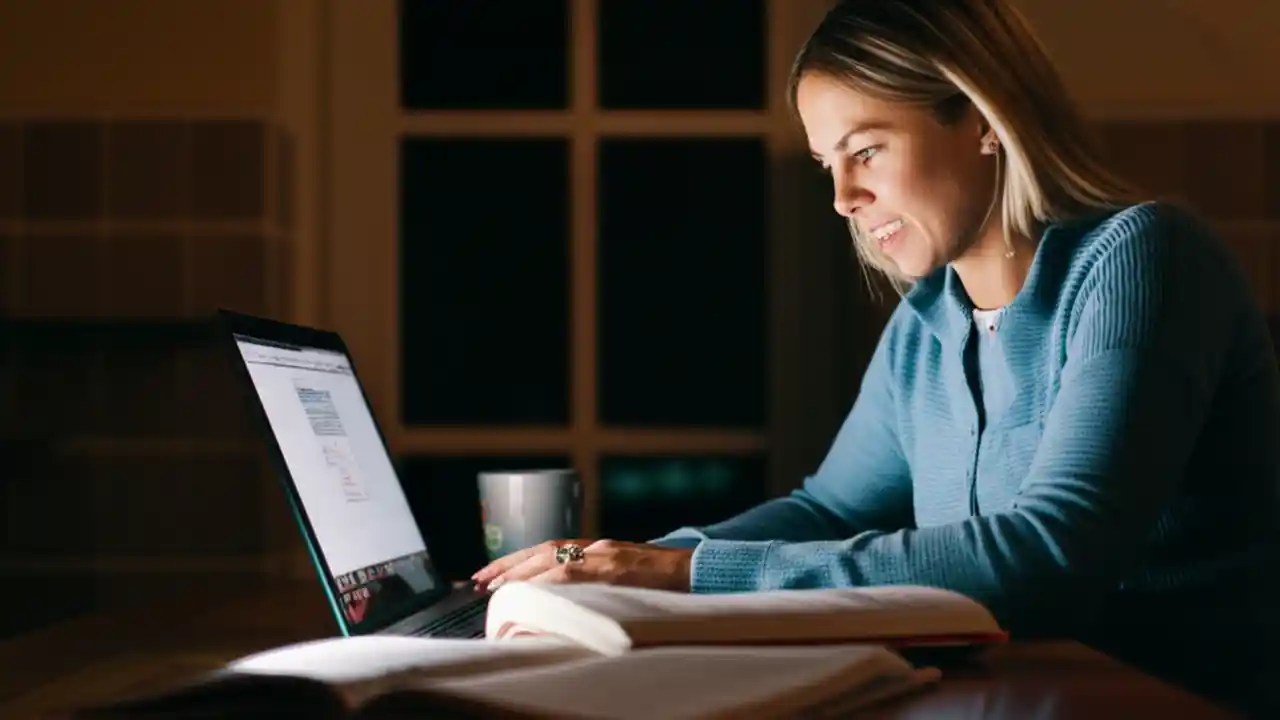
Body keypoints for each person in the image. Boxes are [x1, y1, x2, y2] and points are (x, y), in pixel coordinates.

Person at [473, 0, 1280, 712]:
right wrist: (623, 565)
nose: (841, 199)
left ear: (982, 118)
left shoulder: (1143, 259)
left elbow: (1053, 554)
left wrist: (680, 575)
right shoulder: (927, 323)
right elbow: (828, 510)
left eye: (866, 151)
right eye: (829, 164)